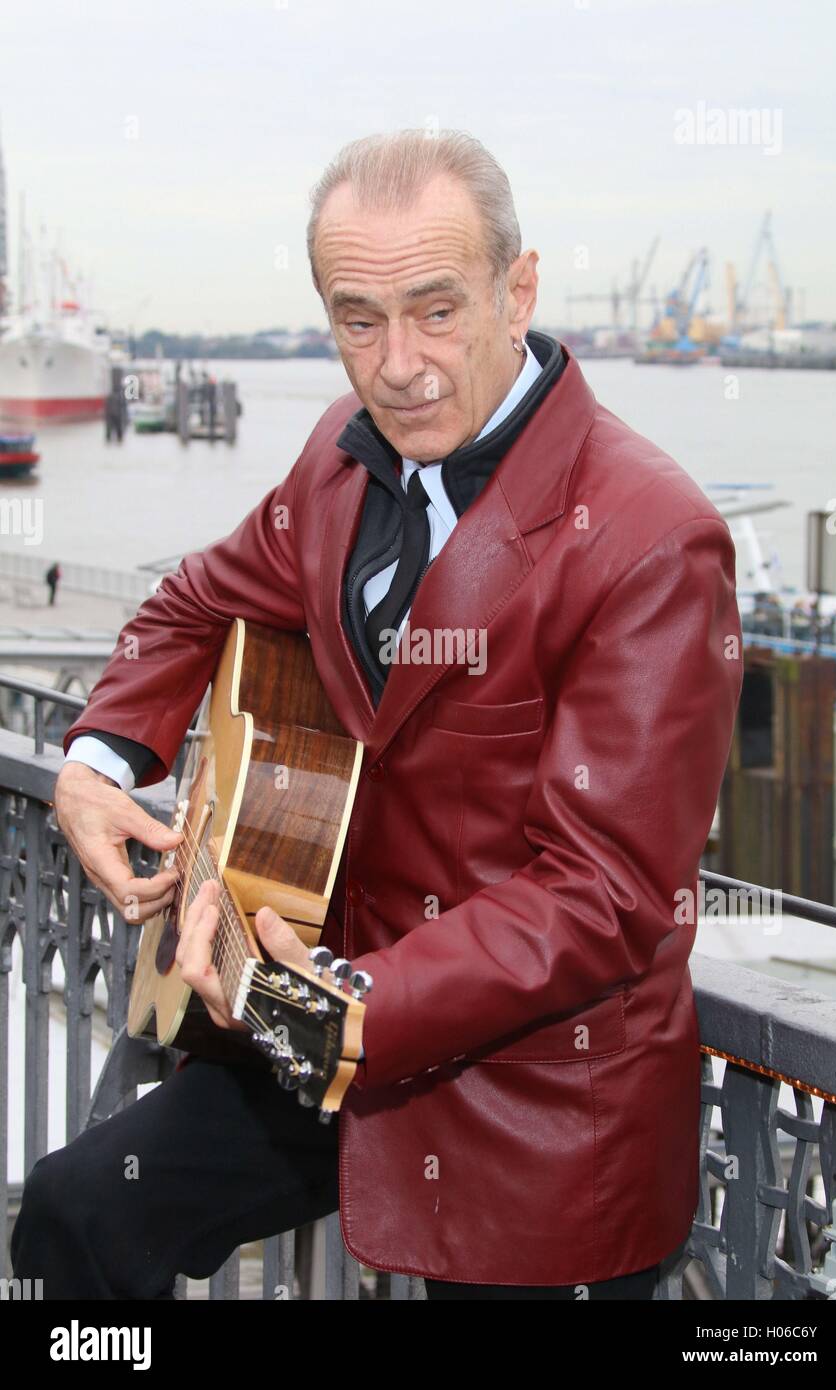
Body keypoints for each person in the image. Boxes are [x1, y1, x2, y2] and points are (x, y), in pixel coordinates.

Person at [12, 129, 743, 1300]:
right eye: (359, 319)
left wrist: (350, 1003)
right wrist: (98, 759)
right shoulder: (336, 463)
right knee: (76, 1214)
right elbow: (198, 597)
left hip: (530, 1093)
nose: (398, 364)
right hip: (312, 1025)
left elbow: (607, 893)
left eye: (436, 310)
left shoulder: (655, 539)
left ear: (521, 289)